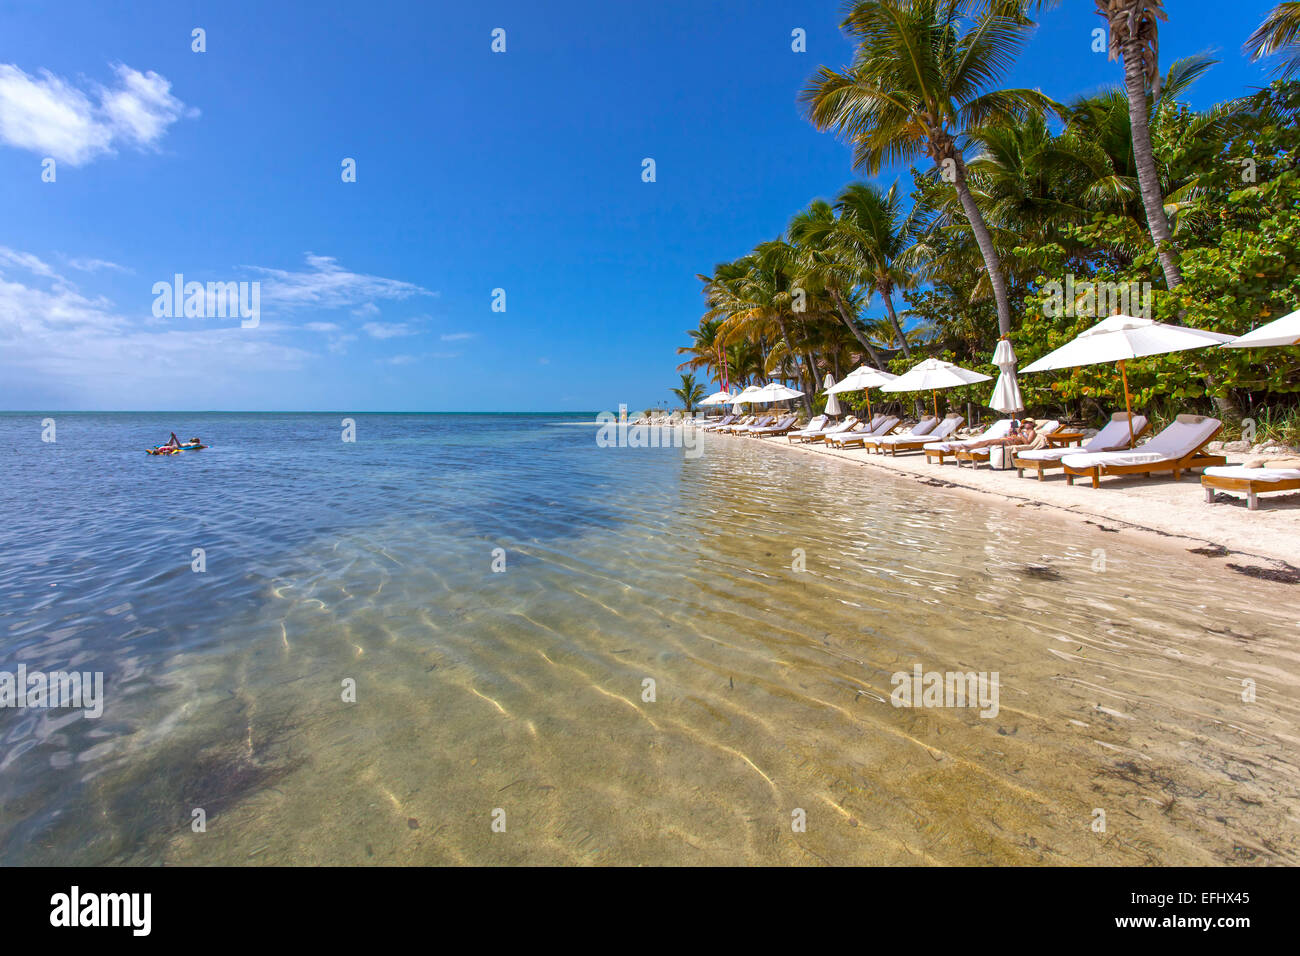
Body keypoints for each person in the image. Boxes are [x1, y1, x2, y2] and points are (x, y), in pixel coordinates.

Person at [963, 418, 1038, 451]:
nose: (1025, 424)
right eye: (1024, 422)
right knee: (987, 441)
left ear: (1032, 424)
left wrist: (1020, 433)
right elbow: (1015, 435)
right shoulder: (1022, 430)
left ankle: (969, 447)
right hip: (1009, 439)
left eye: (1027, 422)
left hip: (1012, 442)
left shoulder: (1032, 432)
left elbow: (1028, 443)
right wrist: (1012, 431)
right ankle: (969, 447)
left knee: (988, 442)